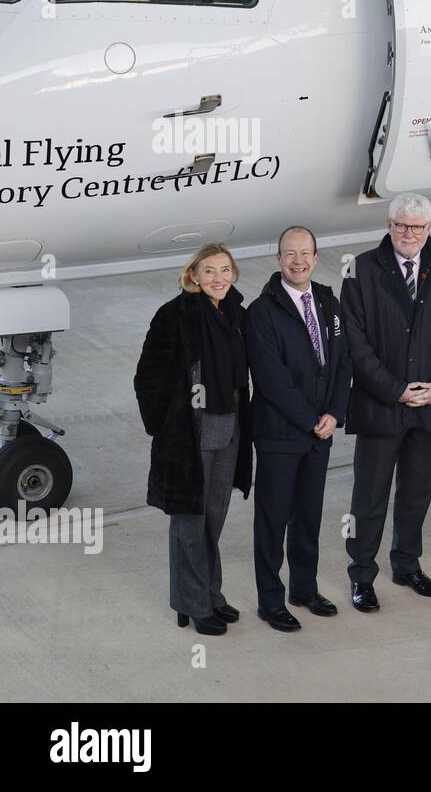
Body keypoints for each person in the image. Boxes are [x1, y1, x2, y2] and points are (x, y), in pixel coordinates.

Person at [340, 193, 431, 612]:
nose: (409, 233)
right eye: (401, 225)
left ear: (430, 227)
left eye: (417, 226)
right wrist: (394, 388)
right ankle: (362, 575)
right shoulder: (360, 270)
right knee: (369, 497)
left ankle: (407, 564)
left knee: (416, 493)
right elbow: (354, 343)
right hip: (381, 405)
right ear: (388, 224)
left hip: (427, 406)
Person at [134, 243, 252, 636]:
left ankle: (211, 594)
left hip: (230, 427)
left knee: (213, 518)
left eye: (224, 270)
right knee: (190, 519)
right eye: (209, 272)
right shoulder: (174, 316)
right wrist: (163, 427)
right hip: (190, 432)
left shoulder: (236, 311)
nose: (218, 278)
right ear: (194, 276)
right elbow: (147, 377)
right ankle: (192, 603)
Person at [244, 226, 351, 632]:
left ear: (316, 256)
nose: (298, 260)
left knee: (308, 517)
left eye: (305, 253)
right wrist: (311, 419)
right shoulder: (262, 312)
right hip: (279, 436)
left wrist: (335, 413)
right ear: (278, 259)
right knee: (272, 521)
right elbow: (271, 380)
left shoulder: (327, 301)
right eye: (290, 254)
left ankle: (303, 589)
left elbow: (343, 363)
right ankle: (270, 602)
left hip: (319, 433)